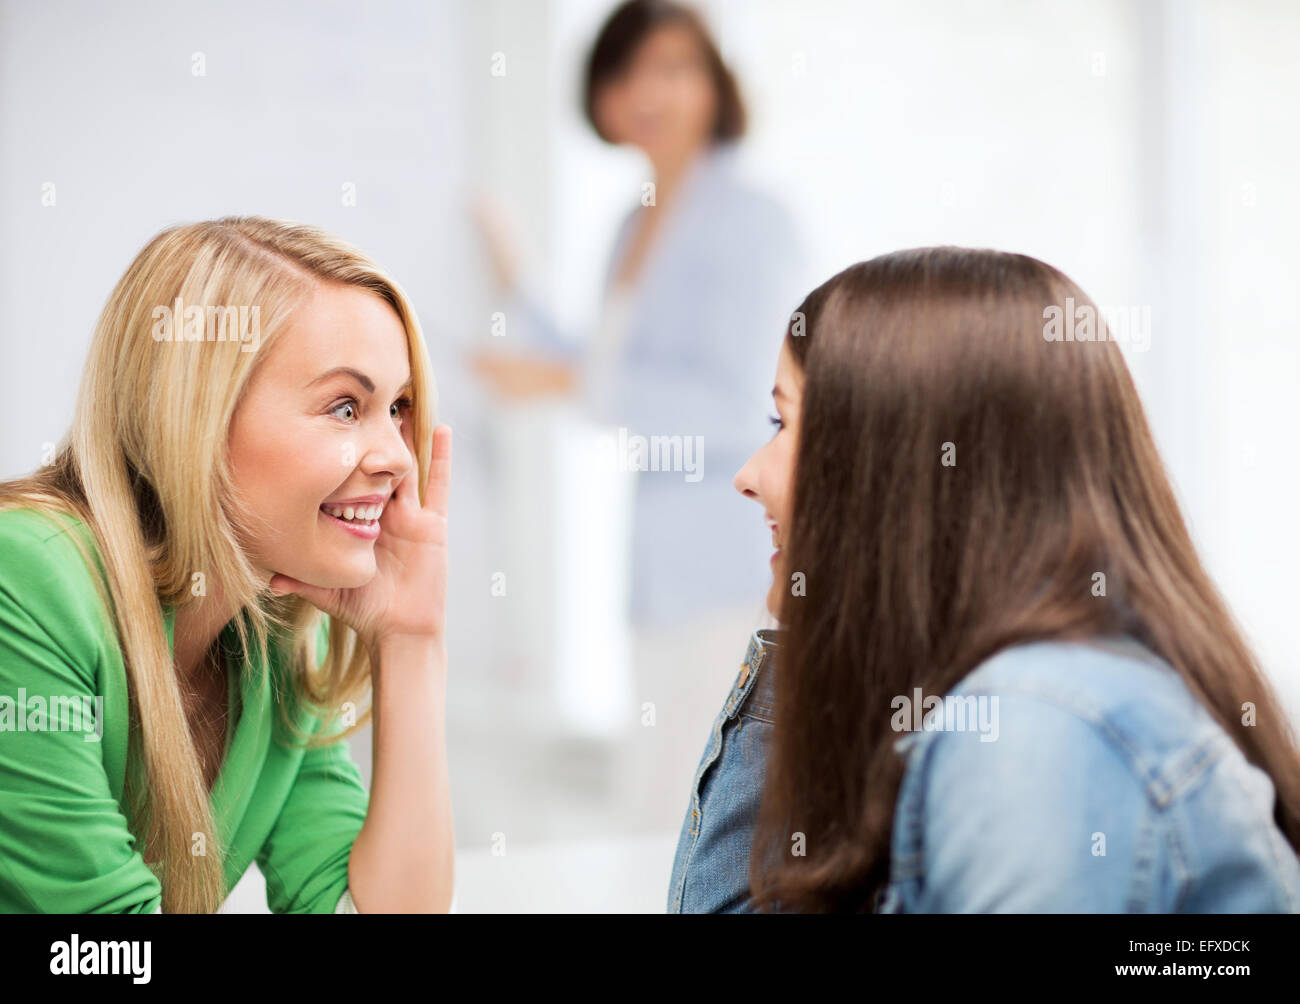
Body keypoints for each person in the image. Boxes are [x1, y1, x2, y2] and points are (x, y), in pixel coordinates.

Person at [669, 246, 1300, 912]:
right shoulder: (984, 714)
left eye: (784, 422)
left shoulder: (1036, 730)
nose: (747, 475)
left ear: (900, 466)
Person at [0, 217, 454, 913]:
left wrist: (412, 642)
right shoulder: (27, 575)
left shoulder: (282, 628)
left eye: (396, 408)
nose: (396, 454)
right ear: (197, 418)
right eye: (344, 407)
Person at [474, 0, 808, 830]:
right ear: (603, 97)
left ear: (715, 86)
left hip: (730, 558)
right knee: (657, 805)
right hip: (655, 569)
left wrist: (561, 383)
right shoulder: (633, 221)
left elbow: (738, 405)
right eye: (629, 74)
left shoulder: (753, 220)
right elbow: (609, 368)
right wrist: (516, 286)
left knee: (707, 812)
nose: (649, 92)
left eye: (675, 69)